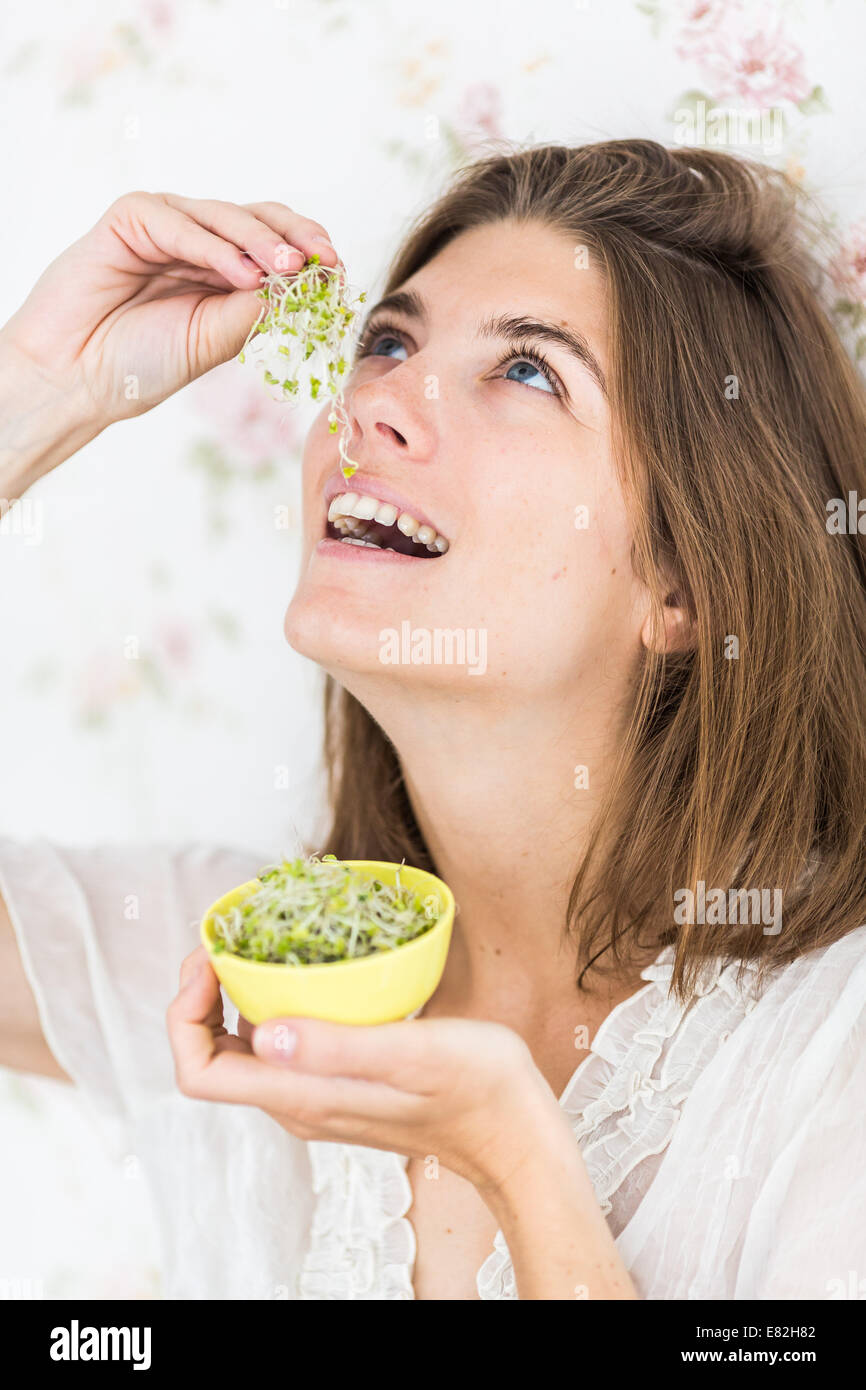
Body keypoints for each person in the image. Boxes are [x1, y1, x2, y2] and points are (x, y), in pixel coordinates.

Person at [1, 141, 865, 1301]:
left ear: (680, 584)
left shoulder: (831, 1055)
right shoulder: (228, 977)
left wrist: (519, 1164)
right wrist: (39, 393)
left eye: (524, 372)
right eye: (388, 343)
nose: (372, 401)